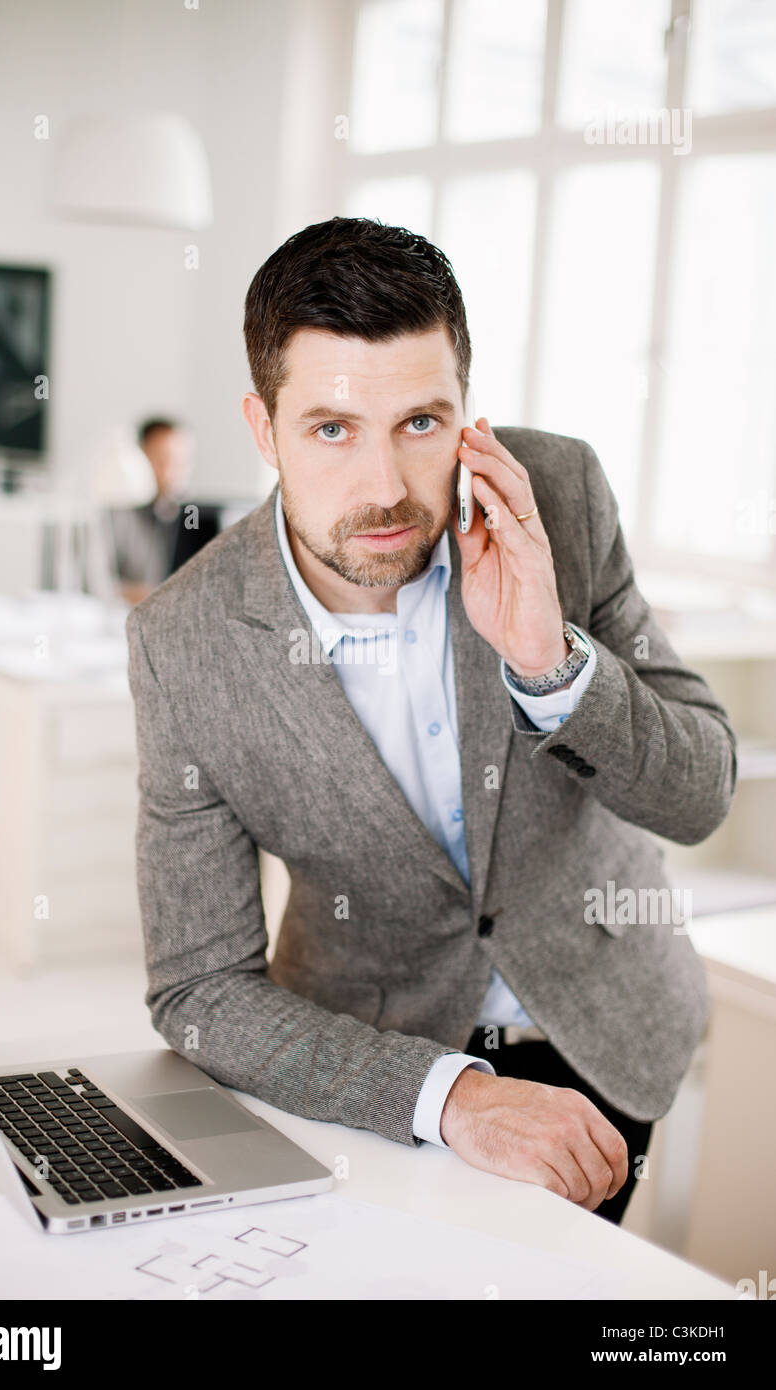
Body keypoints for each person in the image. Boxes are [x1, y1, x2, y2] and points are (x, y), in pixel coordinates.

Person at [125, 217, 736, 1225]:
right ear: (260, 426)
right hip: (371, 1061)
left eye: (420, 423)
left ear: (465, 410)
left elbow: (700, 793)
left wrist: (551, 662)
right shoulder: (184, 641)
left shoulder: (560, 496)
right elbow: (196, 987)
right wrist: (448, 1093)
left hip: (604, 1031)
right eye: (330, 428)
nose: (384, 489)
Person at [109, 417, 202, 605]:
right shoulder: (118, 515)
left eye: (182, 461)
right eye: (163, 460)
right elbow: (100, 584)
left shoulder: (197, 518)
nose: (173, 472)